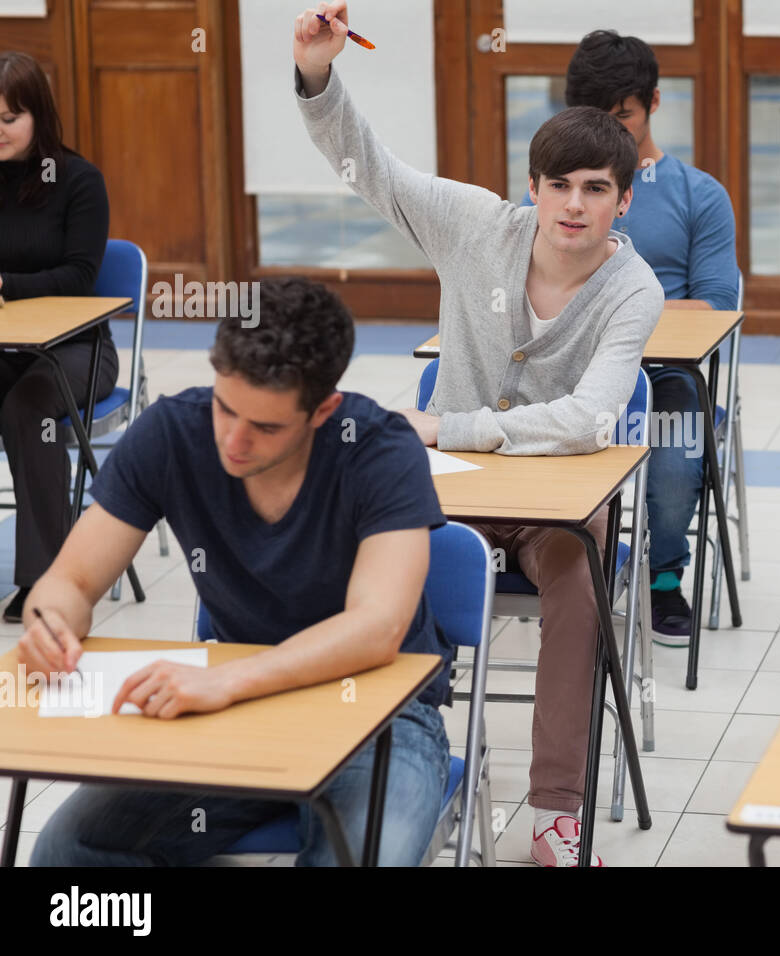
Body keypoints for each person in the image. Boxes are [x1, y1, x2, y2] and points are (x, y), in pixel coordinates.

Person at [294, 4, 664, 866]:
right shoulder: (473, 225)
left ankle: (554, 816)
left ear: (622, 199)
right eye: (558, 185)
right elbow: (370, 171)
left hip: (552, 513)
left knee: (578, 571)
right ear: (530, 187)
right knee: (351, 546)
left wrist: (449, 424)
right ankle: (372, 754)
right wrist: (318, 75)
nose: (574, 205)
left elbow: (586, 421)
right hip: (446, 494)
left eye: (596, 189)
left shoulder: (632, 290)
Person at [25, 277, 453, 866]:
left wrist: (226, 680)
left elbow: (376, 628)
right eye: (225, 408)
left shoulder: (378, 448)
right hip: (235, 708)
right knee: (67, 851)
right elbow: (71, 581)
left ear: (324, 410)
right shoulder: (174, 431)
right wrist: (51, 623)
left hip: (381, 714)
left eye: (267, 427)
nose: (234, 439)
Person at [558, 29, 741, 645]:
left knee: (672, 456)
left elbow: (715, 307)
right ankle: (559, 566)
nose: (611, 133)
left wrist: (625, 319)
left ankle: (664, 580)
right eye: (593, 119)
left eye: (623, 118)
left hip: (666, 378)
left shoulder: (698, 195)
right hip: (571, 374)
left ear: (654, 103)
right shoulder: (562, 193)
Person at [0, 50, 118, 623]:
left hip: (77, 348)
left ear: (38, 116)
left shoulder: (77, 180)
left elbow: (79, 276)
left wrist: (5, 284)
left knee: (29, 408)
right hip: (6, 344)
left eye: (7, 118)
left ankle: (45, 582)